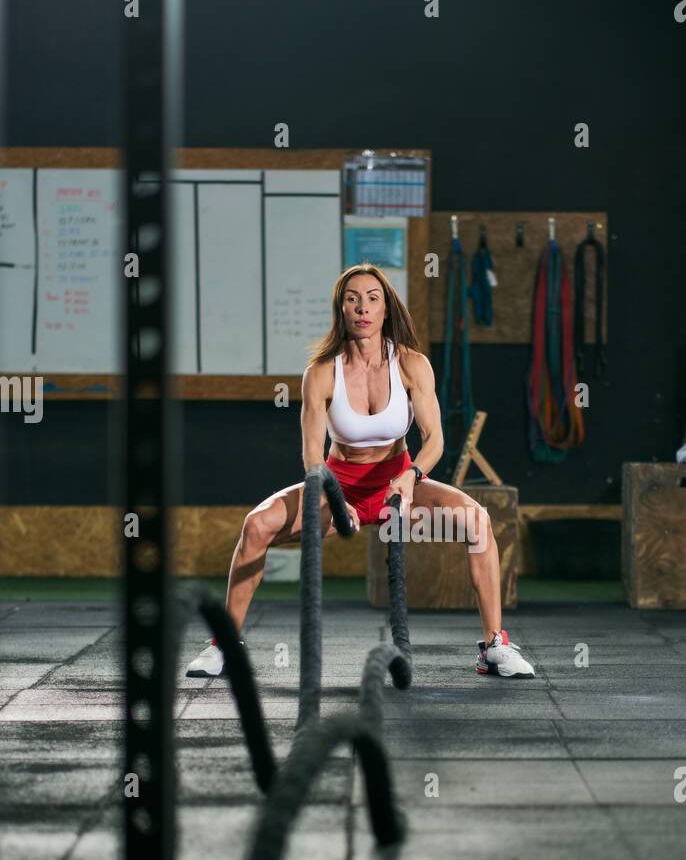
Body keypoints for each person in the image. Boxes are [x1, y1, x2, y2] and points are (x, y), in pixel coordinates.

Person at [186, 262, 534, 679]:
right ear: (342, 310)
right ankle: (225, 644)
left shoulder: (412, 365)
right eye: (352, 300)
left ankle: (495, 646)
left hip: (399, 486)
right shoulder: (320, 373)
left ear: (386, 309)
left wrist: (411, 477)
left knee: (477, 521)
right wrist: (333, 498)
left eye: (372, 299)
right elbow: (313, 456)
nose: (362, 308)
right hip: (339, 485)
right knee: (257, 525)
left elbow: (435, 440)